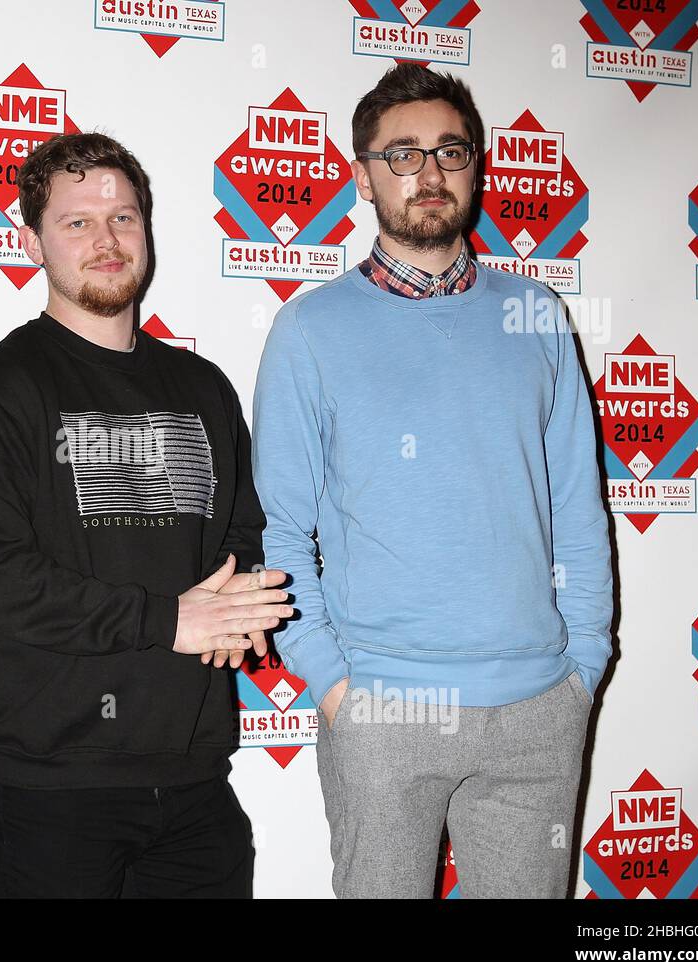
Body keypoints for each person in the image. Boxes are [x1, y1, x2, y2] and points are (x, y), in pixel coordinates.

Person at [252, 63, 613, 898]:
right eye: (402, 154)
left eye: (450, 151)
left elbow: (577, 508)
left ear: (476, 165)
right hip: (383, 707)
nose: (429, 173)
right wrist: (335, 684)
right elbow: (280, 529)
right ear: (362, 173)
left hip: (536, 709)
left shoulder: (536, 314)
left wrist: (582, 663)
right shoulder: (311, 329)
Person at [0, 132, 291, 898]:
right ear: (32, 241)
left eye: (124, 218)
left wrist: (236, 605)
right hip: (50, 790)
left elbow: (239, 532)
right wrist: (166, 620)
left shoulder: (204, 387)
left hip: (195, 781)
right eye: (78, 222)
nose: (107, 240)